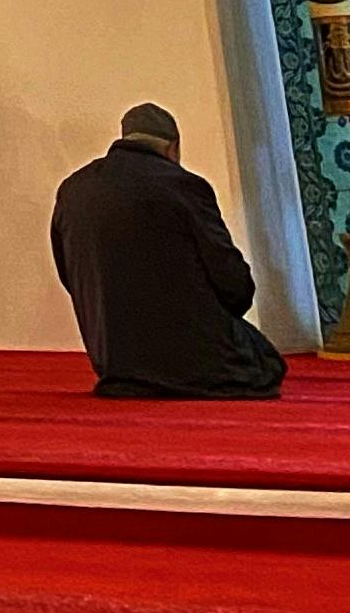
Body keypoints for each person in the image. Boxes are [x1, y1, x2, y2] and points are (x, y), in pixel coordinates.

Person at [50, 104, 287, 399]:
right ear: (173, 147)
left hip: (116, 362)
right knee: (266, 361)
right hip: (197, 361)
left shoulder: (73, 189)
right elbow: (234, 285)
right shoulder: (184, 186)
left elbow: (69, 275)